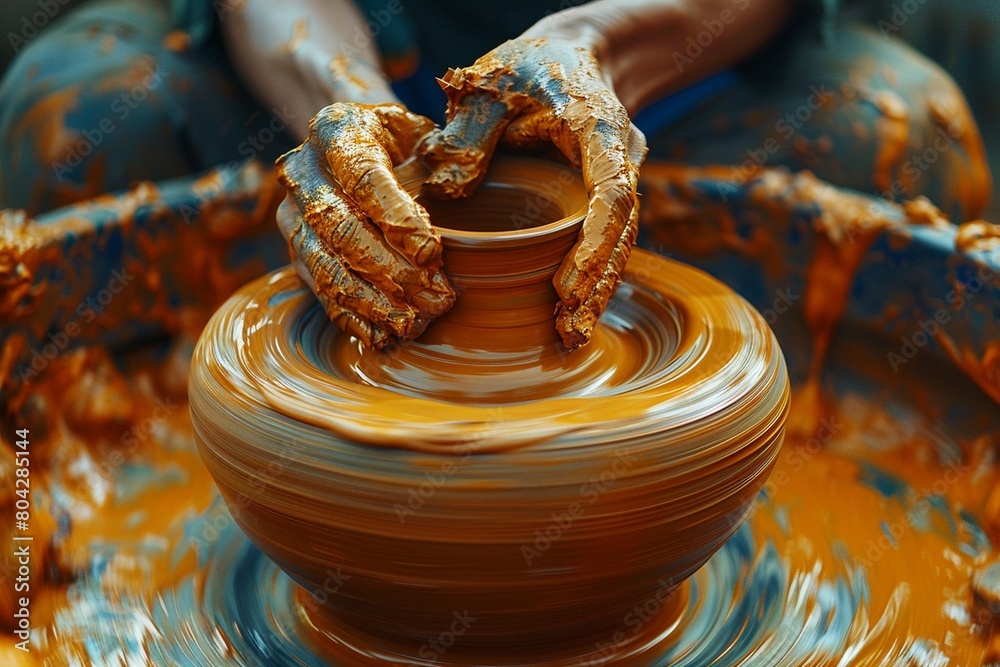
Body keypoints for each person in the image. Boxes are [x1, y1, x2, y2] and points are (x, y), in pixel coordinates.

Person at [0, 0, 990, 349]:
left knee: (905, 129)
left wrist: (600, 45)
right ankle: (103, 473)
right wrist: (343, 113)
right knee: (76, 118)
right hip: (306, 54)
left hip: (661, 70)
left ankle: (758, 459)